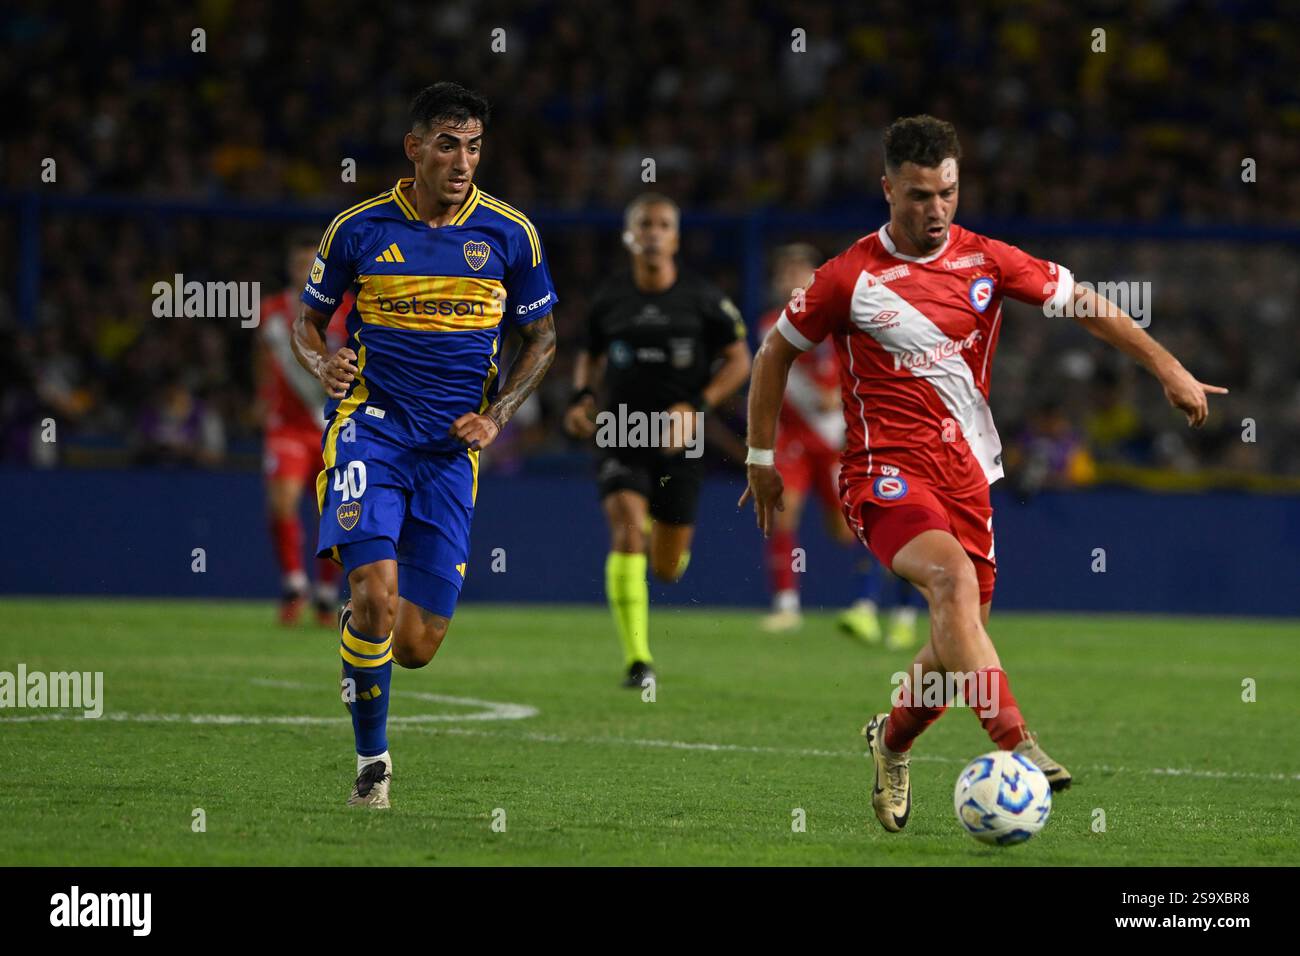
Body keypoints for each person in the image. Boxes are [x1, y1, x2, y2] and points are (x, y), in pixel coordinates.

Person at [740, 115, 1226, 832]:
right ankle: (1016, 741)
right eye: (917, 195)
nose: (934, 209)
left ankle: (891, 741)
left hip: (967, 476)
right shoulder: (846, 278)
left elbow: (1085, 304)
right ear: (887, 190)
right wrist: (758, 460)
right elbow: (772, 355)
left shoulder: (988, 261)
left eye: (946, 192)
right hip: (882, 472)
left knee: (954, 641)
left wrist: (1168, 366)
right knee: (950, 582)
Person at [292, 82, 558, 808]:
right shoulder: (359, 228)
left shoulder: (510, 234)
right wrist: (324, 363)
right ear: (415, 148)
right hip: (369, 432)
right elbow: (307, 321)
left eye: (473, 146)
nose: (463, 160)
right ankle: (372, 766)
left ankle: (364, 630)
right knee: (375, 597)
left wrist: (499, 413)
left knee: (414, 646)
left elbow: (543, 337)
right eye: (448, 143)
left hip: (450, 452)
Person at [564, 194, 751, 687]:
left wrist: (698, 405)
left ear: (676, 237)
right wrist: (584, 396)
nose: (652, 232)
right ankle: (638, 661)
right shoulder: (609, 299)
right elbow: (588, 354)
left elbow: (740, 360)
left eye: (663, 224)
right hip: (620, 430)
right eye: (644, 224)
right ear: (629, 236)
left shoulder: (702, 298)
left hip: (677, 442)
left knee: (667, 568)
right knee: (627, 530)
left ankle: (657, 530)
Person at [756, 243, 919, 648]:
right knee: (785, 511)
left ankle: (888, 605)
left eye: (800, 271)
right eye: (785, 272)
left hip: (839, 438)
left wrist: (841, 397)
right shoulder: (771, 324)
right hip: (795, 437)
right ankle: (787, 604)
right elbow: (785, 374)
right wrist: (821, 395)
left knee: (853, 530)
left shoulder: (840, 319)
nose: (792, 279)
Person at [256, 234, 350, 625]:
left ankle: (327, 594)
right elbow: (262, 356)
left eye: (313, 265)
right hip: (288, 426)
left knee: (333, 510)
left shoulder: (346, 310)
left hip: (333, 420)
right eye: (299, 265)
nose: (306, 271)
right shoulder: (271, 311)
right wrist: (262, 397)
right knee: (282, 501)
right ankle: (295, 584)